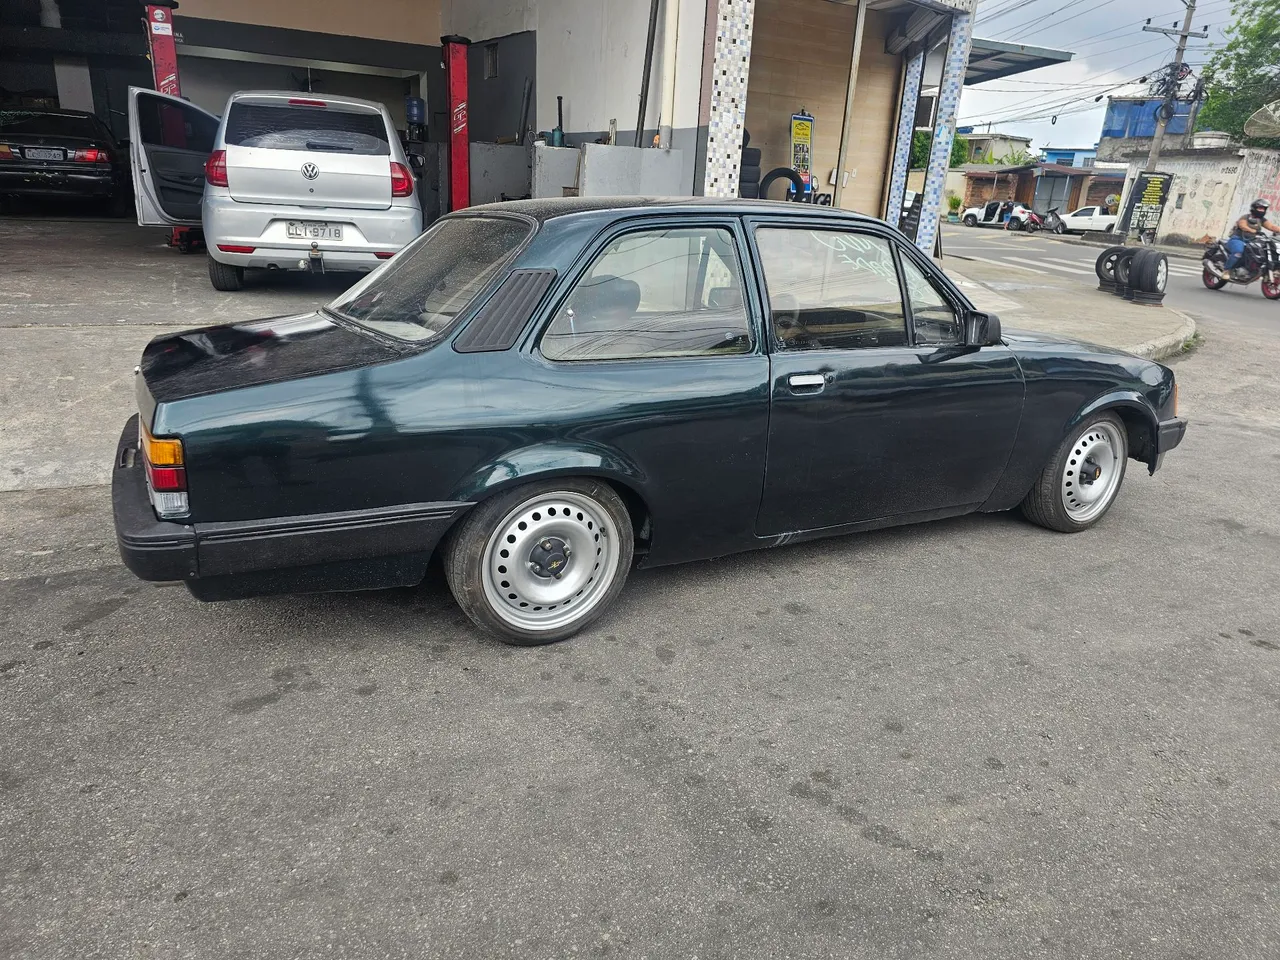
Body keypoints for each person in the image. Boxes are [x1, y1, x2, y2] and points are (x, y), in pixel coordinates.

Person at [1225, 199, 1279, 275]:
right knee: (1238, 252)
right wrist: (1251, 230)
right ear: (1254, 208)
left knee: (1262, 252)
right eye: (1260, 208)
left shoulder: (1261, 220)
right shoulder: (1245, 217)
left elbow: (1272, 227)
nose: (1262, 210)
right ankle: (1226, 270)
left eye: (1263, 209)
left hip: (1252, 241)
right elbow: (1242, 225)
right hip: (1238, 239)